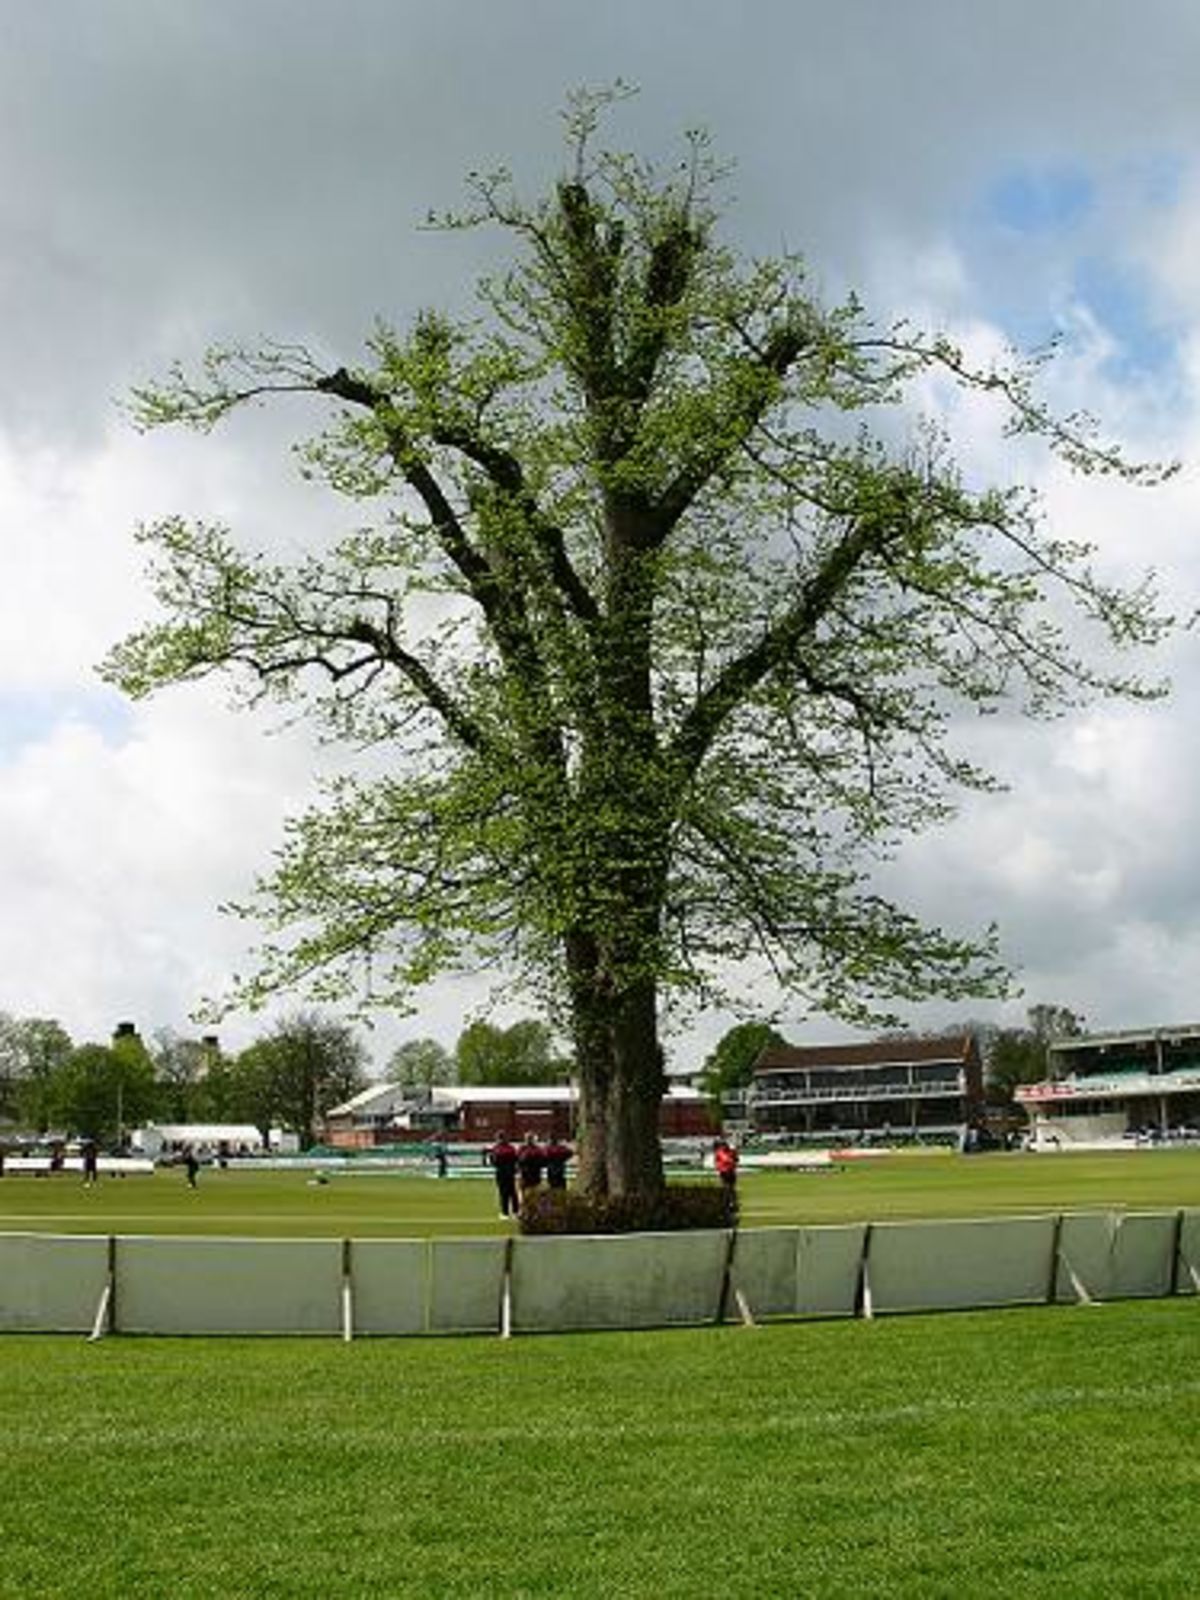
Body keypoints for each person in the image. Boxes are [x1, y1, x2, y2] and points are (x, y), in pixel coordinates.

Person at [486, 1133, 520, 1218]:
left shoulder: (496, 1149)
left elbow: (492, 1162)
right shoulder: (511, 1148)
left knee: (504, 1193)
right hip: (510, 1173)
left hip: (501, 1173)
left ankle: (505, 1213)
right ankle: (516, 1211)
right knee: (512, 1193)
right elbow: (516, 1160)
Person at [713, 1137, 739, 1219]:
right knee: (727, 1188)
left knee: (731, 1188)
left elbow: (736, 1160)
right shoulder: (720, 1152)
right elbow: (723, 1161)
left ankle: (732, 1203)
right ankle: (727, 1204)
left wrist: (734, 1154)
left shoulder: (730, 1152)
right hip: (725, 1172)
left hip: (730, 1171)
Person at [516, 1132, 545, 1201]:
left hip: (526, 1174)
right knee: (533, 1194)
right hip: (534, 1175)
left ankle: (523, 1208)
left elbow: (518, 1160)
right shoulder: (537, 1150)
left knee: (524, 1194)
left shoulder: (522, 1149)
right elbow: (543, 1161)